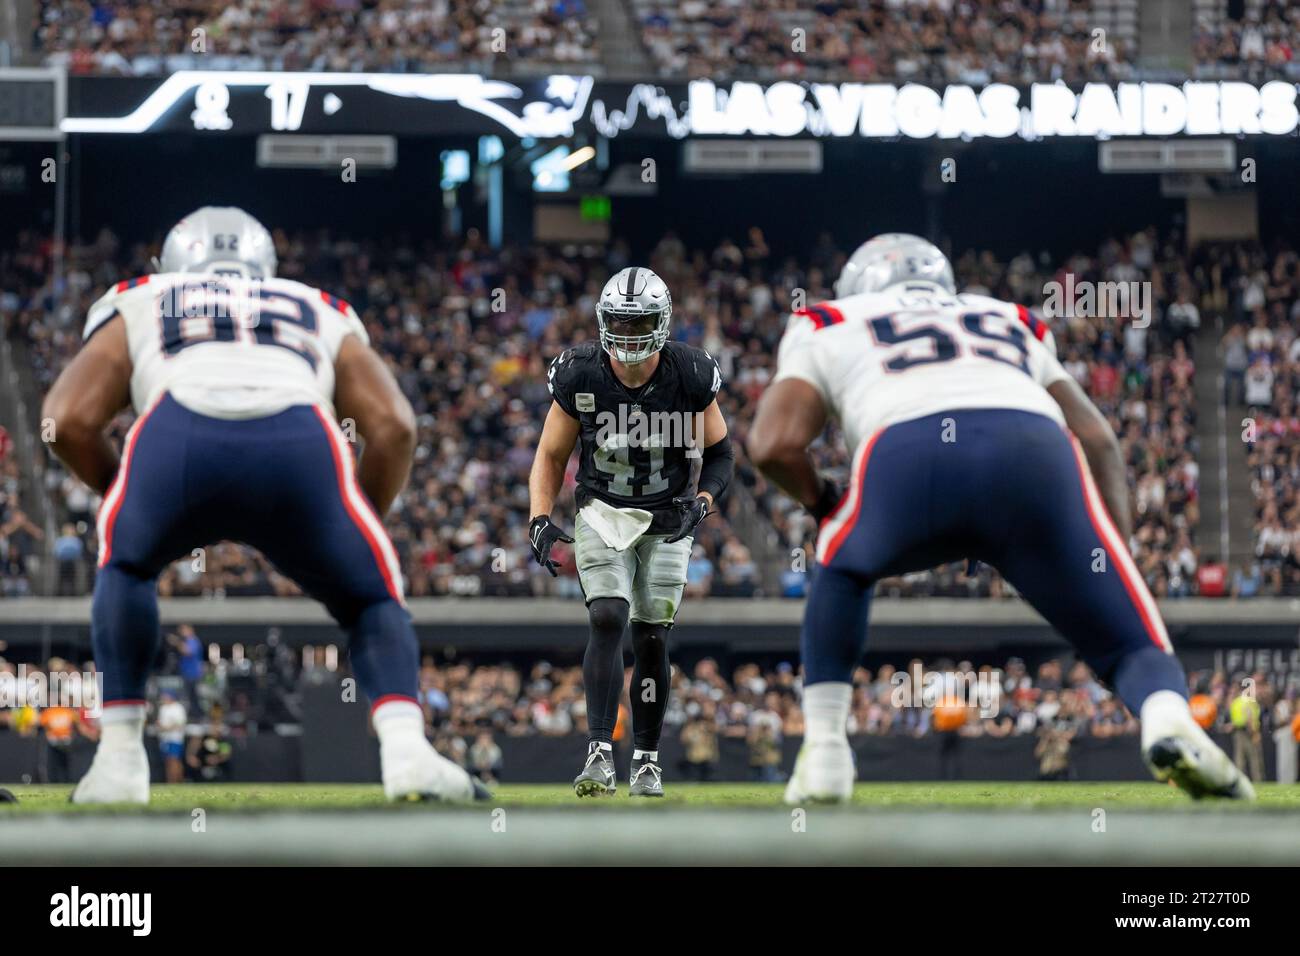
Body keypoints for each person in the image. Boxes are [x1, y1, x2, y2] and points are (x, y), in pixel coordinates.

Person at [748, 232, 1253, 804]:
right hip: (1034, 449)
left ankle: (827, 753)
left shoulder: (827, 319)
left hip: (910, 453)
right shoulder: (1007, 316)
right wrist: (1106, 557)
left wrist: (823, 504)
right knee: (1126, 640)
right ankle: (1167, 716)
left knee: (843, 565)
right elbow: (1097, 437)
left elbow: (771, 446)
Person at [43, 206, 486, 804]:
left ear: (172, 264)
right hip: (299, 443)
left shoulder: (145, 295)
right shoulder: (315, 305)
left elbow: (65, 420)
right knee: (371, 598)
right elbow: (395, 428)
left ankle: (119, 763)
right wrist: (349, 523)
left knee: (126, 569)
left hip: (176, 438)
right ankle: (408, 754)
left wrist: (130, 491)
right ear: (266, 266)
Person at [528, 266, 734, 797]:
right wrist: (538, 515)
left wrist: (704, 502)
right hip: (602, 509)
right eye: (619, 320)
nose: (628, 333)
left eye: (639, 321)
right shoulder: (580, 373)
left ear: (662, 322)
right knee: (607, 615)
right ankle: (599, 752)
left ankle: (646, 760)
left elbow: (720, 452)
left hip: (668, 514)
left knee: (649, 635)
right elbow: (550, 454)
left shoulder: (688, 372)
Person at [155, 689, 188, 784]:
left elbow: (180, 724)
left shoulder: (178, 708)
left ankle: (177, 781)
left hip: (175, 738)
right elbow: (160, 723)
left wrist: (167, 728)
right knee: (168, 761)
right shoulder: (163, 708)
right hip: (165, 739)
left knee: (174, 760)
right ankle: (170, 781)